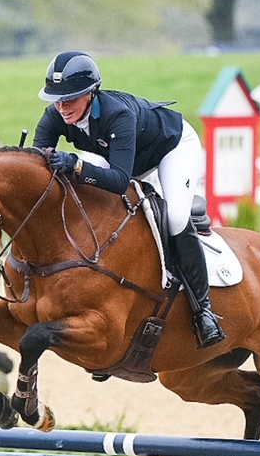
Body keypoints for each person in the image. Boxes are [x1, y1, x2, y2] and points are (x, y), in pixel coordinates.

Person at [32, 51, 225, 349]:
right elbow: (40, 163)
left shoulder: (117, 115)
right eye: (56, 99)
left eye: (69, 98)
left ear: (90, 93)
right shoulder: (55, 115)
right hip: (116, 155)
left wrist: (77, 165)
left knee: (174, 218)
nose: (61, 106)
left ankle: (204, 311)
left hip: (170, 150)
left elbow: (122, 180)